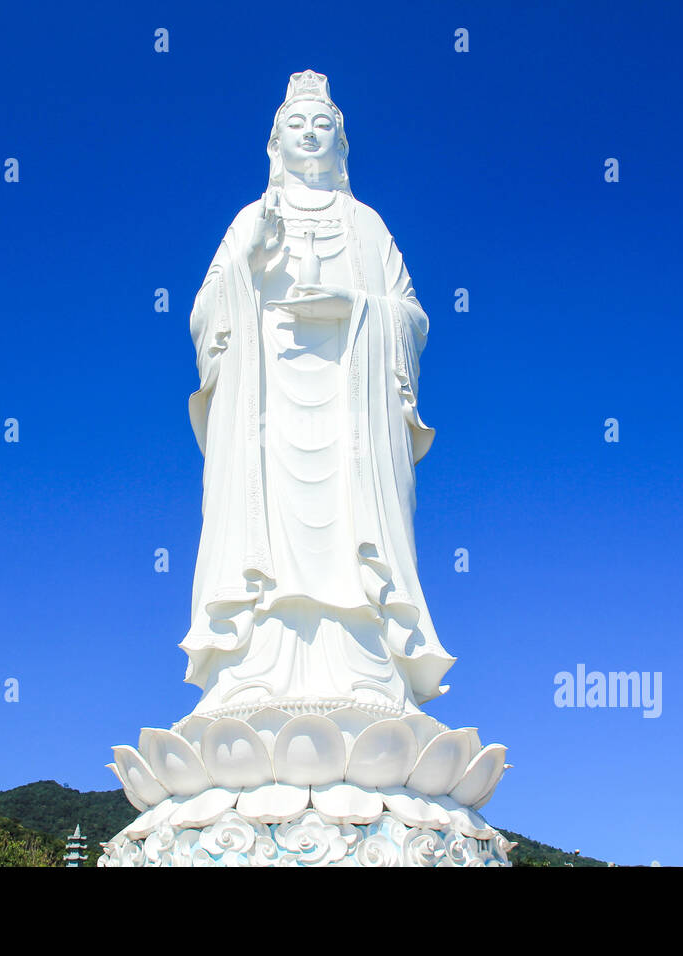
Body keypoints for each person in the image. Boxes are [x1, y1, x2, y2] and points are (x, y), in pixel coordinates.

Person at [181, 70, 454, 718]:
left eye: (322, 125)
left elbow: (411, 317)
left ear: (342, 142)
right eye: (296, 126)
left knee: (352, 531)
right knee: (266, 530)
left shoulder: (367, 227)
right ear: (275, 143)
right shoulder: (250, 219)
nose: (309, 134)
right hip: (266, 407)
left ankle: (366, 668)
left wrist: (354, 308)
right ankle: (254, 670)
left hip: (350, 412)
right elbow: (203, 318)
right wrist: (246, 262)